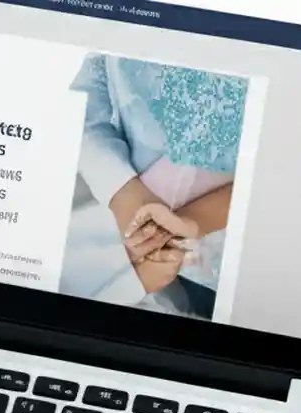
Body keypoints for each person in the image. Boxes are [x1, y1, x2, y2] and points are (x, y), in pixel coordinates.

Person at [68, 52, 247, 317]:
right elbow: (84, 101)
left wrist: (191, 221)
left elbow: (289, 164)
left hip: (236, 264)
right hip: (154, 257)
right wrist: (123, 193)